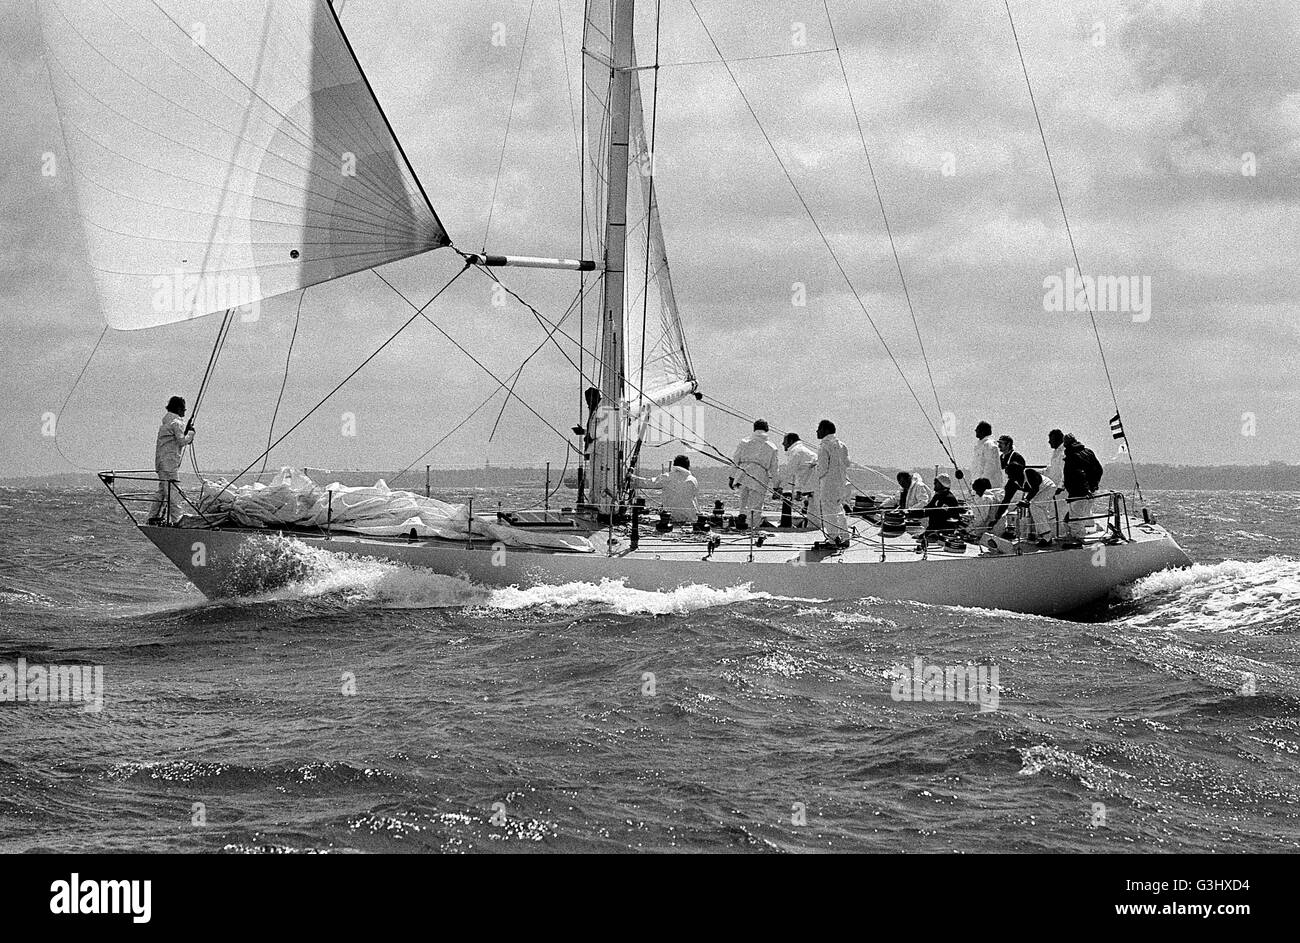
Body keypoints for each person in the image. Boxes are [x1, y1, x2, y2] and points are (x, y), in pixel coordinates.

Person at [146, 395, 195, 525]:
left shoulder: (167, 423)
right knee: (173, 491)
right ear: (178, 409)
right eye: (183, 409)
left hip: (162, 463)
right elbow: (182, 441)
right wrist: (190, 433)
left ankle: (153, 516)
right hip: (169, 464)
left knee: (162, 490)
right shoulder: (177, 423)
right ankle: (177, 520)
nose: (185, 412)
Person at [730, 418, 780, 529]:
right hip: (759, 476)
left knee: (743, 502)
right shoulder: (771, 447)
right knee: (756, 506)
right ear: (767, 429)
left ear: (754, 429)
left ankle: (742, 518)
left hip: (743, 473)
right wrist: (776, 486)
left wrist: (732, 476)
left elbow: (735, 459)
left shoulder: (744, 442)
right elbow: (774, 469)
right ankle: (751, 528)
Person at [813, 419, 850, 547]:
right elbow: (847, 463)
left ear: (825, 430)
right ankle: (845, 537)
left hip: (828, 484)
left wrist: (815, 470)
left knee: (829, 511)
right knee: (839, 509)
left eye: (819, 429)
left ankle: (833, 539)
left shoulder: (824, 446)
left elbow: (823, 469)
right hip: (841, 483)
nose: (817, 431)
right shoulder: (842, 445)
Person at [630, 454, 700, 524]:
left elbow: (649, 483)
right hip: (691, 517)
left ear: (675, 465)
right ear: (688, 466)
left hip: (672, 517)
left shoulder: (668, 477)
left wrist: (632, 478)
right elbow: (694, 498)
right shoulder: (693, 480)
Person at [1061, 433, 1104, 541]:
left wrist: (1085, 490)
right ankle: (1076, 536)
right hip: (1090, 492)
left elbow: (1079, 474)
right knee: (1072, 518)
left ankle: (1078, 544)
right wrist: (1093, 486)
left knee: (1075, 523)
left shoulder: (1072, 455)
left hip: (1078, 493)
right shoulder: (1088, 452)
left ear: (1066, 444)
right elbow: (1099, 469)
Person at [779, 432, 819, 526]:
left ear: (791, 441)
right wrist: (799, 490)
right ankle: (812, 531)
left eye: (785, 441)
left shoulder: (796, 451)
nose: (783, 444)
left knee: (816, 512)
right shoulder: (801, 451)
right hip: (814, 485)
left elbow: (790, 471)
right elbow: (802, 472)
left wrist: (780, 487)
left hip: (816, 485)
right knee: (813, 513)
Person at [990, 434, 1026, 531]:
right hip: (1004, 486)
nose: (999, 446)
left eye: (1001, 444)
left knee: (1006, 506)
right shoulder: (1001, 457)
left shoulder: (1017, 457)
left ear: (1008, 444)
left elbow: (1020, 475)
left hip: (1016, 488)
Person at [1016, 467, 1059, 542]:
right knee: (1040, 510)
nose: (1009, 477)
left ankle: (1046, 535)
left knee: (1035, 506)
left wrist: (1026, 500)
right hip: (1038, 491)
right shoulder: (1012, 482)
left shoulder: (1029, 473)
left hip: (1048, 487)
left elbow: (1035, 488)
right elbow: (1007, 498)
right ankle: (1044, 536)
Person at [962, 421, 1003, 491]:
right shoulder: (979, 445)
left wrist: (982, 482)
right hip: (978, 487)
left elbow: (990, 466)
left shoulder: (989, 445)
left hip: (988, 487)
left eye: (977, 429)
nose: (975, 430)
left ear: (983, 431)